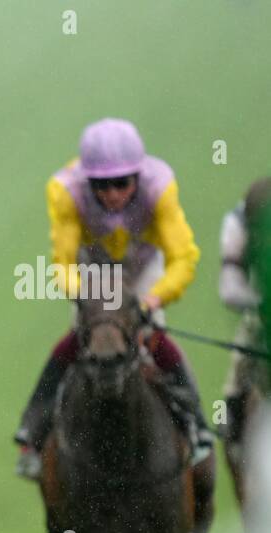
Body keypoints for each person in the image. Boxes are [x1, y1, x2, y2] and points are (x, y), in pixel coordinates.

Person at [14, 117, 210, 479]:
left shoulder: (160, 188)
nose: (111, 194)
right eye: (100, 185)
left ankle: (197, 426)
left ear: (138, 176)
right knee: (82, 339)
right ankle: (31, 433)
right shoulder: (64, 191)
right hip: (97, 274)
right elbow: (64, 262)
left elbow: (183, 258)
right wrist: (88, 300)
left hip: (143, 271)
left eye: (121, 183)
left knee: (155, 339)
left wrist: (153, 300)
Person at [216, 178, 271, 451]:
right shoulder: (236, 225)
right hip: (261, 302)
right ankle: (233, 412)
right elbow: (229, 288)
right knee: (243, 353)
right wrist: (258, 303)